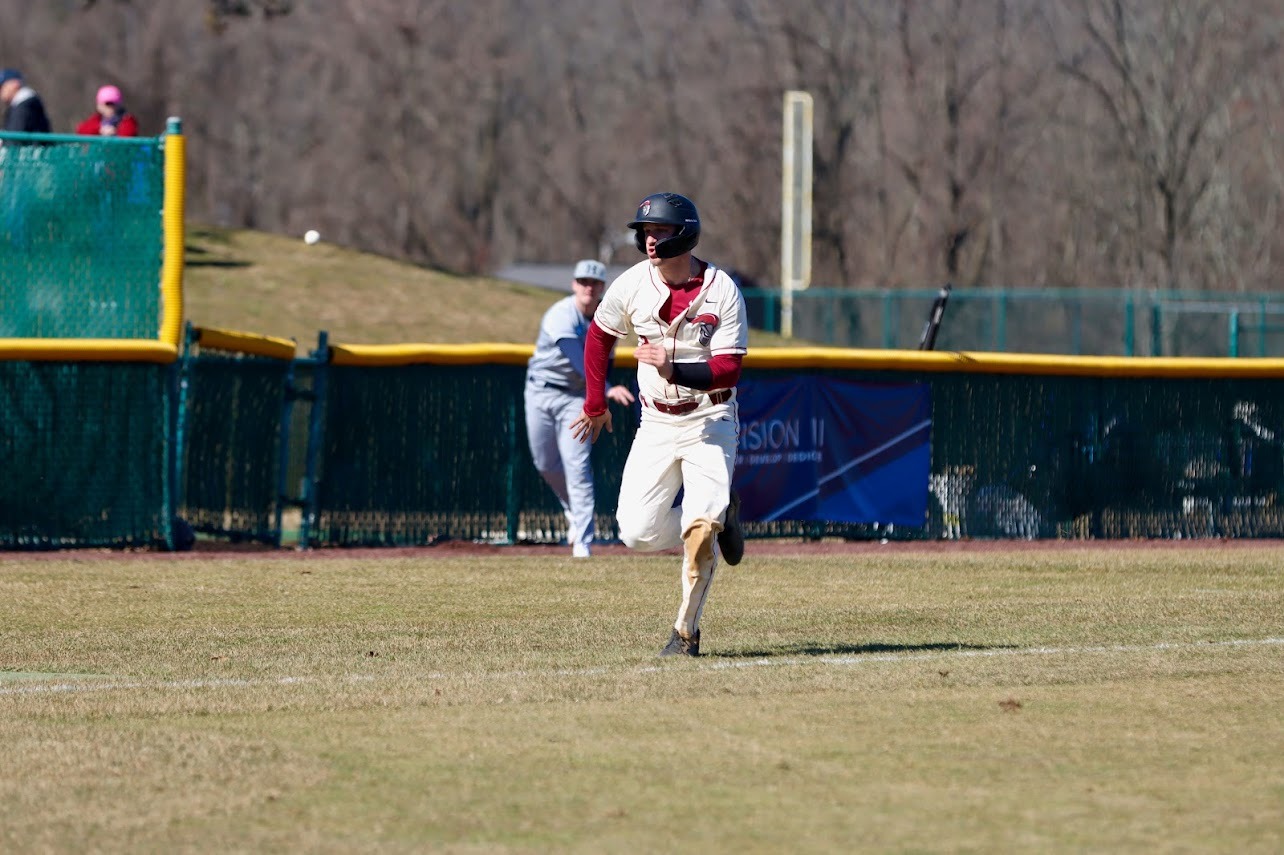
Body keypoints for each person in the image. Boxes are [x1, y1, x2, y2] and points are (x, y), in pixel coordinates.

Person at [571, 192, 748, 657]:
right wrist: (594, 402)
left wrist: (675, 369)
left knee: (698, 530)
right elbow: (599, 337)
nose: (651, 241)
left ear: (686, 232)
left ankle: (685, 631)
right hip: (656, 421)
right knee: (635, 530)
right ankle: (721, 516)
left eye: (662, 231)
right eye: (646, 232)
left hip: (710, 418)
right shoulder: (633, 284)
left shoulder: (722, 289)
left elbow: (728, 369)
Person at [525, 259, 636, 558]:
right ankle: (573, 511)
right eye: (584, 281)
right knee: (544, 463)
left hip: (577, 397)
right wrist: (608, 389)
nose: (589, 287)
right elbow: (577, 357)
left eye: (595, 283)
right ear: (574, 284)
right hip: (540, 390)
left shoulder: (607, 321)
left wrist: (601, 391)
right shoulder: (561, 313)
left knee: (577, 466)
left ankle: (583, 542)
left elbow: (605, 363)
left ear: (602, 288)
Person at [0, 68, 51, 139]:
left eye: (1, 86)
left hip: (33, 149)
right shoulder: (20, 105)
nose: (1, 91)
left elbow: (14, 140)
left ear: (15, 84)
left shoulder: (24, 106)